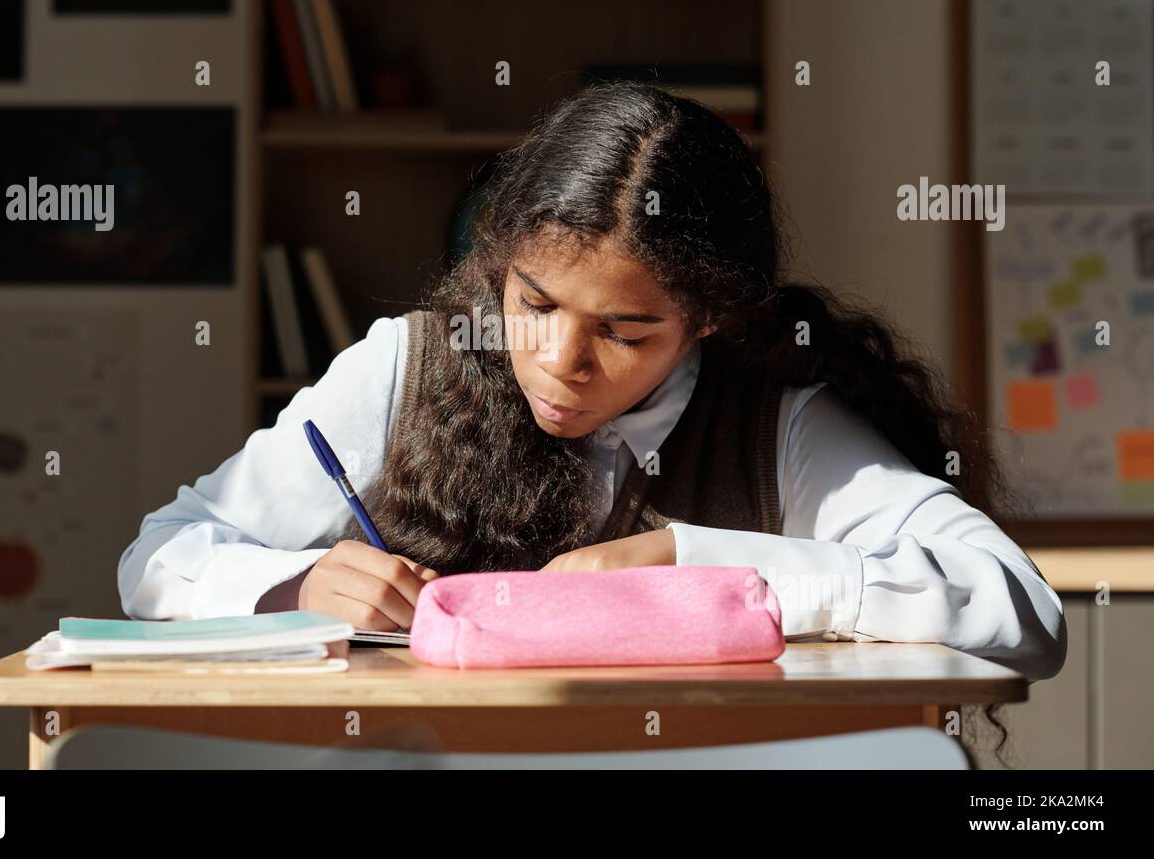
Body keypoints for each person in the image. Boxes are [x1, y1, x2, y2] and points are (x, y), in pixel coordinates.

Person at [118, 81, 1066, 685]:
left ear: (708, 319)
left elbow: (1021, 611)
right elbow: (156, 559)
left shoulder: (777, 431)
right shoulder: (406, 369)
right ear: (496, 266)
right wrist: (293, 586)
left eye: (625, 331)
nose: (560, 360)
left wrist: (705, 565)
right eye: (533, 302)